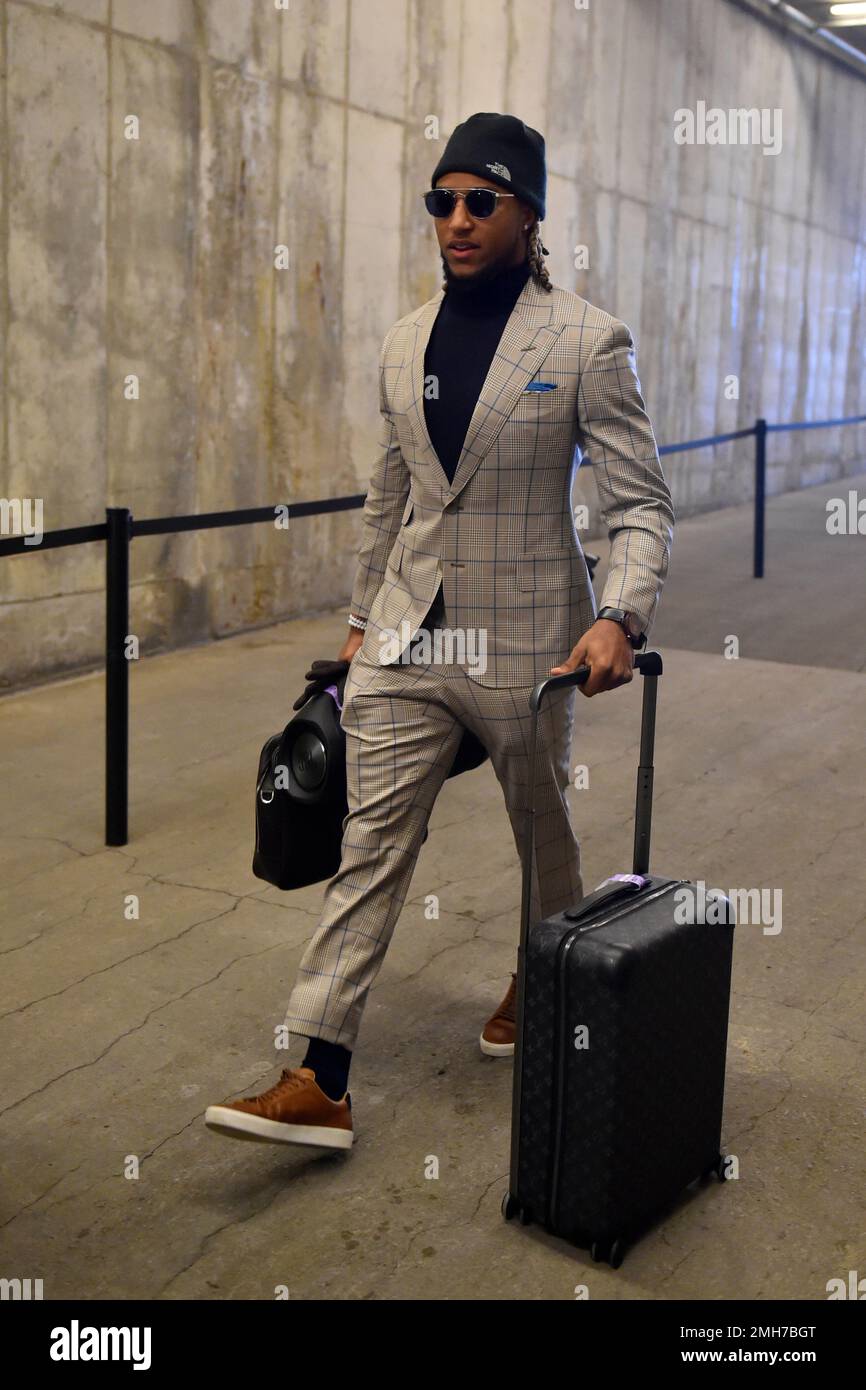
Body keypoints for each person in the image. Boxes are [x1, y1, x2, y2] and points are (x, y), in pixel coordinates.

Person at [205, 112, 674, 1152]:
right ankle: (319, 1072)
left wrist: (617, 614)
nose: (455, 221)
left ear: (526, 212)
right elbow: (391, 498)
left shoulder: (586, 342)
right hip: (410, 641)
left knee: (540, 833)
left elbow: (640, 504)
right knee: (367, 844)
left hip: (530, 646)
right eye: (440, 201)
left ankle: (543, 979)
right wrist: (357, 626)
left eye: (480, 201)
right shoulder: (404, 341)